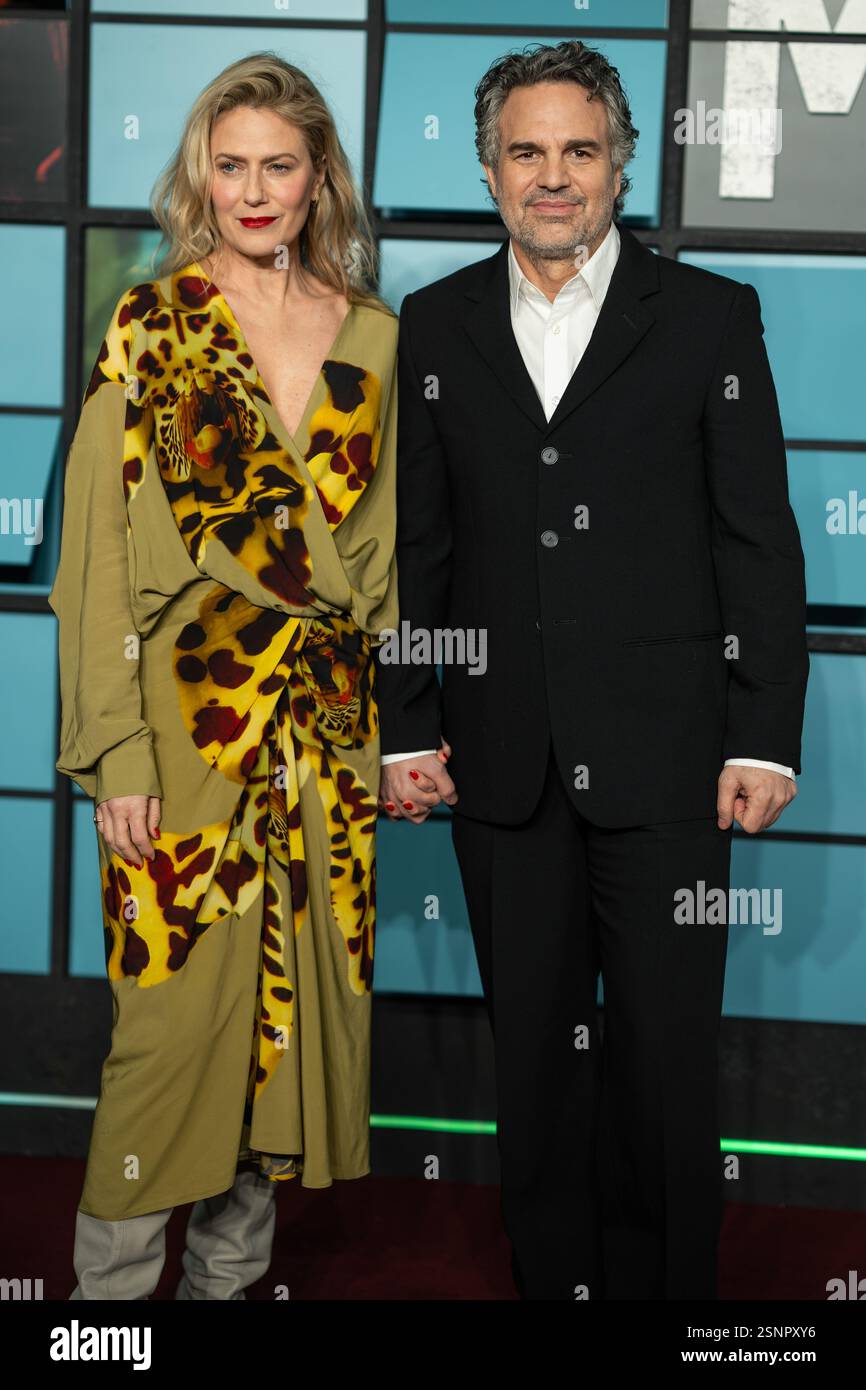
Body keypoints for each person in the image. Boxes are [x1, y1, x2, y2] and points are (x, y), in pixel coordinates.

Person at [375, 39, 808, 1301]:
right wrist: (407, 725)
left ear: (621, 165)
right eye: (525, 150)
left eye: (578, 149)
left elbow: (756, 540)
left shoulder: (711, 317)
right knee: (537, 1068)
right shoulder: (434, 321)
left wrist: (760, 733)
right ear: (487, 166)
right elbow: (421, 544)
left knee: (665, 1063)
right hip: (500, 766)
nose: (550, 175)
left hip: (675, 767)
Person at [49, 51, 398, 1300]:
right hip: (178, 742)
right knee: (164, 1040)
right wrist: (117, 758)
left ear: (317, 182)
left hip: (323, 747)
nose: (254, 191)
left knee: (276, 1050)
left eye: (280, 167)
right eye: (231, 164)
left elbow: (391, 564)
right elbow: (92, 562)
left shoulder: (374, 338)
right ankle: (105, 1321)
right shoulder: (153, 325)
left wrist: (394, 735)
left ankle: (225, 1294)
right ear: (204, 173)